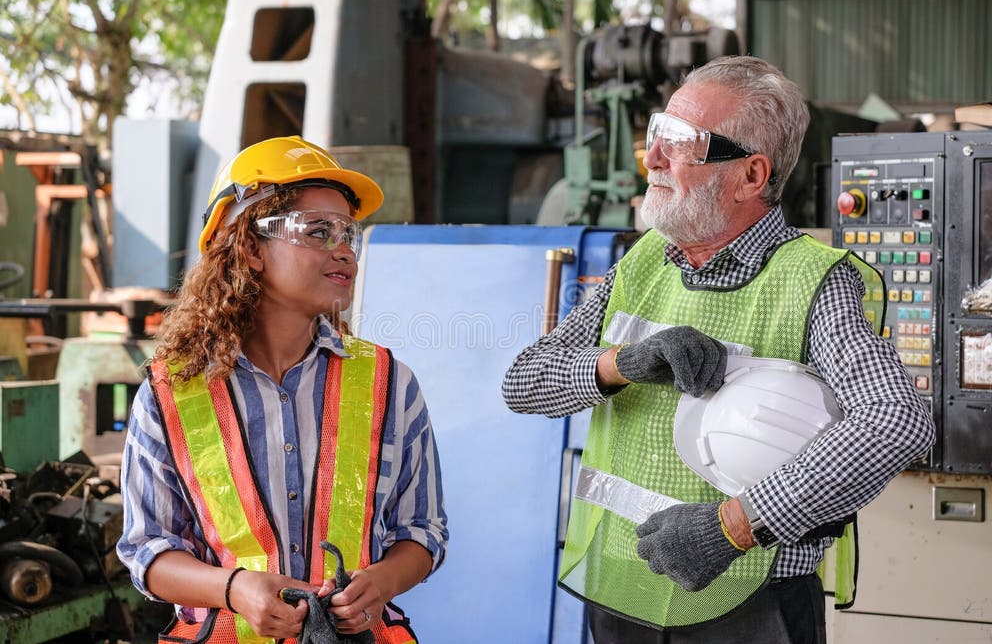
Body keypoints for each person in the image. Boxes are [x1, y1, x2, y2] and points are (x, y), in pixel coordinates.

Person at [502, 56, 934, 643]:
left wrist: (733, 528)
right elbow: (523, 383)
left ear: (751, 176)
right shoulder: (643, 262)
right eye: (658, 132)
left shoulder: (813, 281)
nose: (652, 157)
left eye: (681, 142)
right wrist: (619, 365)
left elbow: (895, 421)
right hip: (621, 593)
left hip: (747, 606)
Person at [117, 136, 448, 642]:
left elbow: (422, 532)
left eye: (348, 234)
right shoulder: (169, 395)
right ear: (249, 247)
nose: (345, 252)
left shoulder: (390, 384)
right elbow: (148, 551)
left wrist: (380, 583)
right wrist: (235, 589)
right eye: (318, 231)